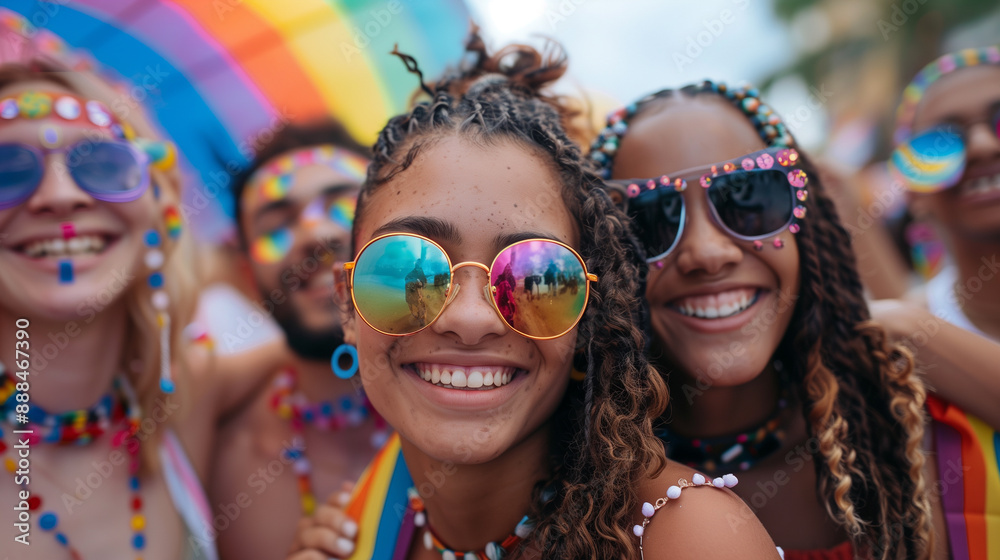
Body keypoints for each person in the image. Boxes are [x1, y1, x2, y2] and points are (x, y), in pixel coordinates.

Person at [288, 34, 779, 560]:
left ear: (588, 314)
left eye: (534, 275)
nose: (471, 317)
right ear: (347, 303)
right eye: (411, 266)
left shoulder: (686, 539)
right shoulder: (365, 523)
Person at [588, 81, 933, 559]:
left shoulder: (903, 429)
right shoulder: (581, 502)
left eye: (747, 198)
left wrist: (905, 327)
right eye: (652, 221)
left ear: (805, 223)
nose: (707, 253)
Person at [0, 10, 290, 558]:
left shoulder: (179, 402)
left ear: (161, 210)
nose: (59, 196)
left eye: (104, 166)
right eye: (9, 170)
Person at [209, 120, 387, 560]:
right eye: (278, 221)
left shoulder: (471, 401)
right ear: (246, 273)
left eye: (344, 203)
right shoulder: (217, 458)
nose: (314, 234)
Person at [882, 45, 1000, 558]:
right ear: (912, 189)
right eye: (941, 141)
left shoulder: (902, 330)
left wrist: (909, 330)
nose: (979, 146)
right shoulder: (897, 342)